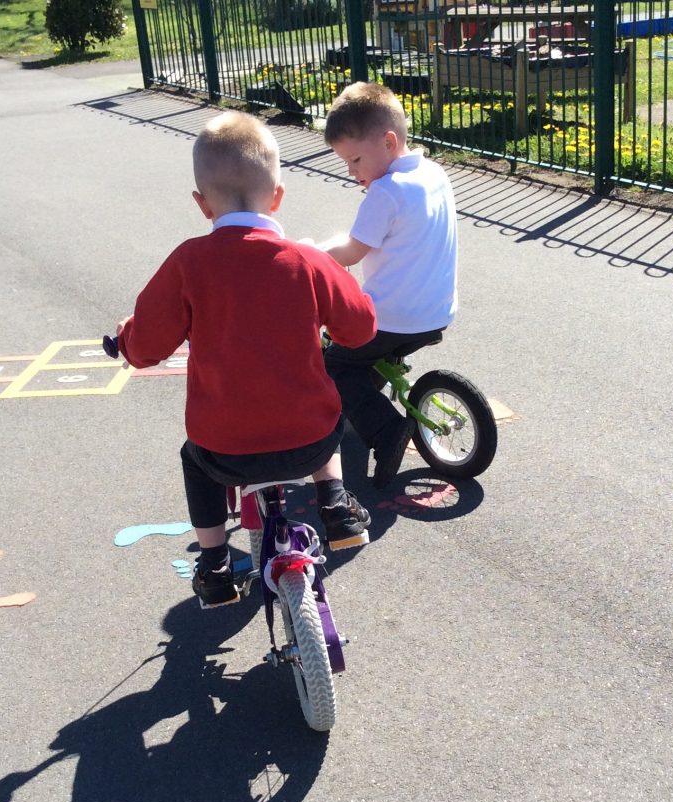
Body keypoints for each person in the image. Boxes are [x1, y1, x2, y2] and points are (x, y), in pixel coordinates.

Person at [116, 111, 378, 608]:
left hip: (224, 452)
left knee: (193, 459)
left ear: (201, 204)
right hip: (306, 442)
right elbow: (361, 327)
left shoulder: (189, 263)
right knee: (328, 411)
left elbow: (145, 347)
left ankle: (214, 562)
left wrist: (125, 339)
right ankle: (336, 505)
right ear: (277, 195)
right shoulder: (308, 261)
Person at [318, 82, 458, 488]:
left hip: (392, 319)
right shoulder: (434, 173)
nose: (352, 172)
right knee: (366, 353)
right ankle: (372, 393)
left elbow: (350, 253)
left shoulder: (385, 192)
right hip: (437, 310)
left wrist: (311, 258)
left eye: (356, 159)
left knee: (336, 365)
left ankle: (385, 428)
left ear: (389, 141)